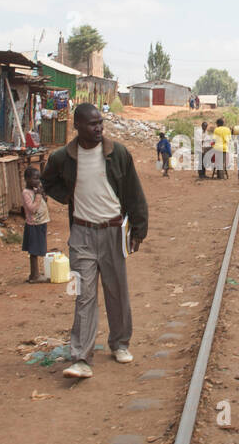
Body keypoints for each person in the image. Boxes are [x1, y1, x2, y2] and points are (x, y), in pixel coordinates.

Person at [41, 103, 149, 380]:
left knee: (117, 291)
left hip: (113, 232)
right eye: (92, 124)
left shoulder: (117, 154)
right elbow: (48, 181)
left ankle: (120, 343)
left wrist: (138, 228)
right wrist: (66, 196)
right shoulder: (63, 157)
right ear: (77, 126)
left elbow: (133, 192)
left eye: (100, 122)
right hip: (81, 235)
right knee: (83, 295)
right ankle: (80, 357)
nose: (98, 128)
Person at [21, 166, 50, 282]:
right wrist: (38, 195)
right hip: (34, 224)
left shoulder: (35, 190)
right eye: (35, 178)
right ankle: (34, 275)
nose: (37, 181)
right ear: (27, 179)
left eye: (39, 179)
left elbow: (44, 202)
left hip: (41, 222)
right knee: (34, 250)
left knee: (38, 249)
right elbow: (32, 209)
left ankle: (35, 273)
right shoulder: (26, 193)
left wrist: (42, 194)